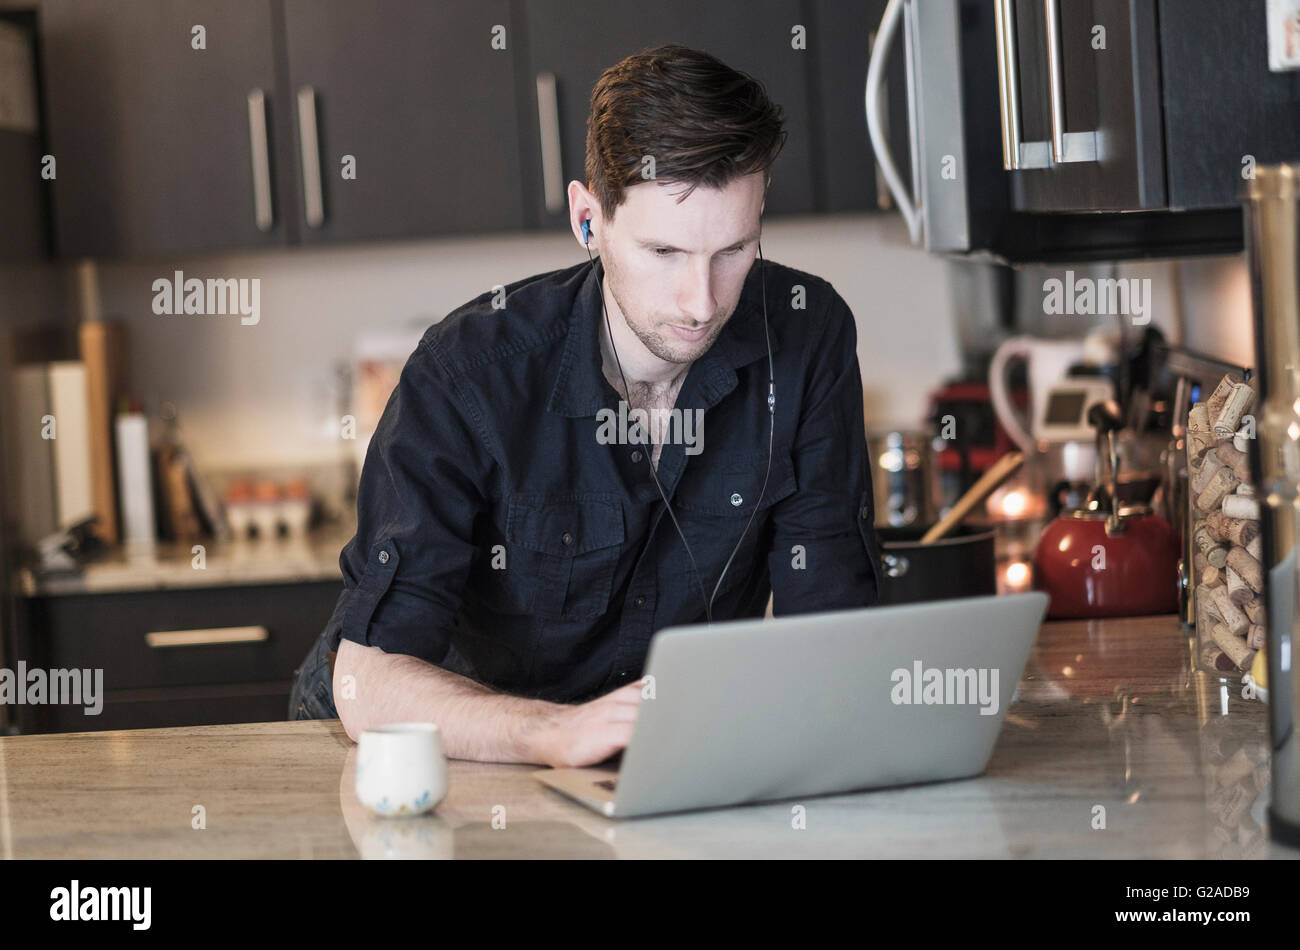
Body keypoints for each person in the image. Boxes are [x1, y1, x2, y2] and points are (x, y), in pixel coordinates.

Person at [289, 44, 881, 766]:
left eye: (734, 250)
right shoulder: (468, 374)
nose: (702, 303)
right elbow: (368, 679)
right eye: (664, 252)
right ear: (587, 219)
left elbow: (831, 627)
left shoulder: (805, 334)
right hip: (437, 749)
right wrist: (556, 734)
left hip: (650, 760)